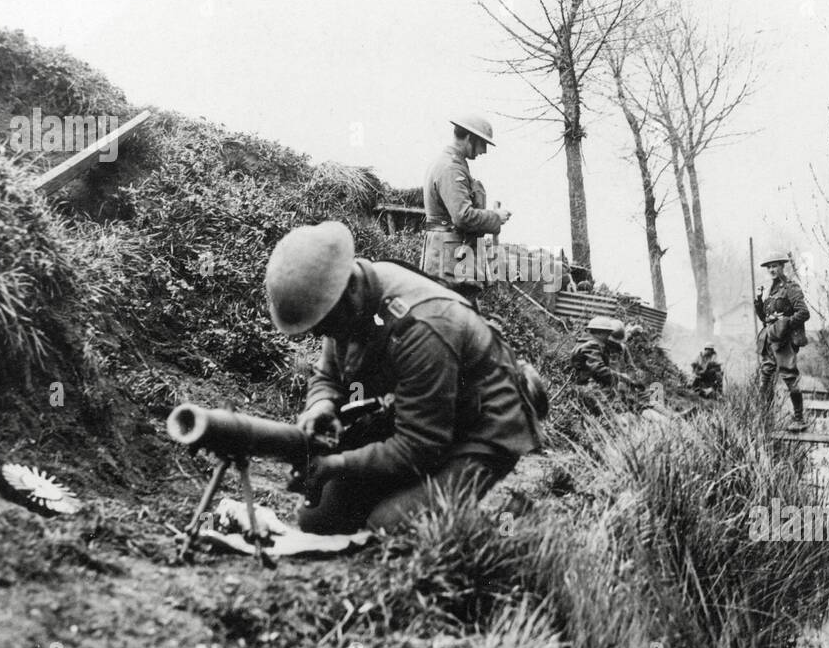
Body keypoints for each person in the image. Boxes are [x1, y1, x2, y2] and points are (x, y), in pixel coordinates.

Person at [266, 221, 540, 534]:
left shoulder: (424, 324)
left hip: (482, 430)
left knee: (392, 527)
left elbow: (421, 445)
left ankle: (512, 524)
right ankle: (425, 497)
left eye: (323, 325)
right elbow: (328, 373)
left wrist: (340, 464)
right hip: (424, 420)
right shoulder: (343, 302)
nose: (320, 334)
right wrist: (320, 405)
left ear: (351, 290)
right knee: (319, 520)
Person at [421, 115, 512, 307]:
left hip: (446, 252)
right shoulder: (451, 168)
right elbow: (463, 216)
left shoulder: (448, 163)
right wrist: (495, 217)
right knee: (455, 316)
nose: (484, 151)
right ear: (470, 138)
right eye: (482, 144)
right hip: (450, 256)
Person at [754, 251, 810, 429]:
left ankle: (799, 419)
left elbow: (803, 313)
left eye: (775, 266)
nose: (771, 269)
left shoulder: (791, 287)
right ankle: (765, 419)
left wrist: (785, 324)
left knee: (789, 377)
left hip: (784, 341)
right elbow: (765, 319)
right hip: (769, 340)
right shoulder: (771, 291)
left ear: (782, 267)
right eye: (769, 267)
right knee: (765, 378)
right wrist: (758, 302)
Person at [570, 316, 637, 391]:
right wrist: (622, 377)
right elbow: (599, 369)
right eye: (608, 333)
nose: (608, 335)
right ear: (600, 333)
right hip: (587, 385)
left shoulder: (590, 341)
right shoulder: (591, 345)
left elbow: (630, 367)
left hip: (590, 382)